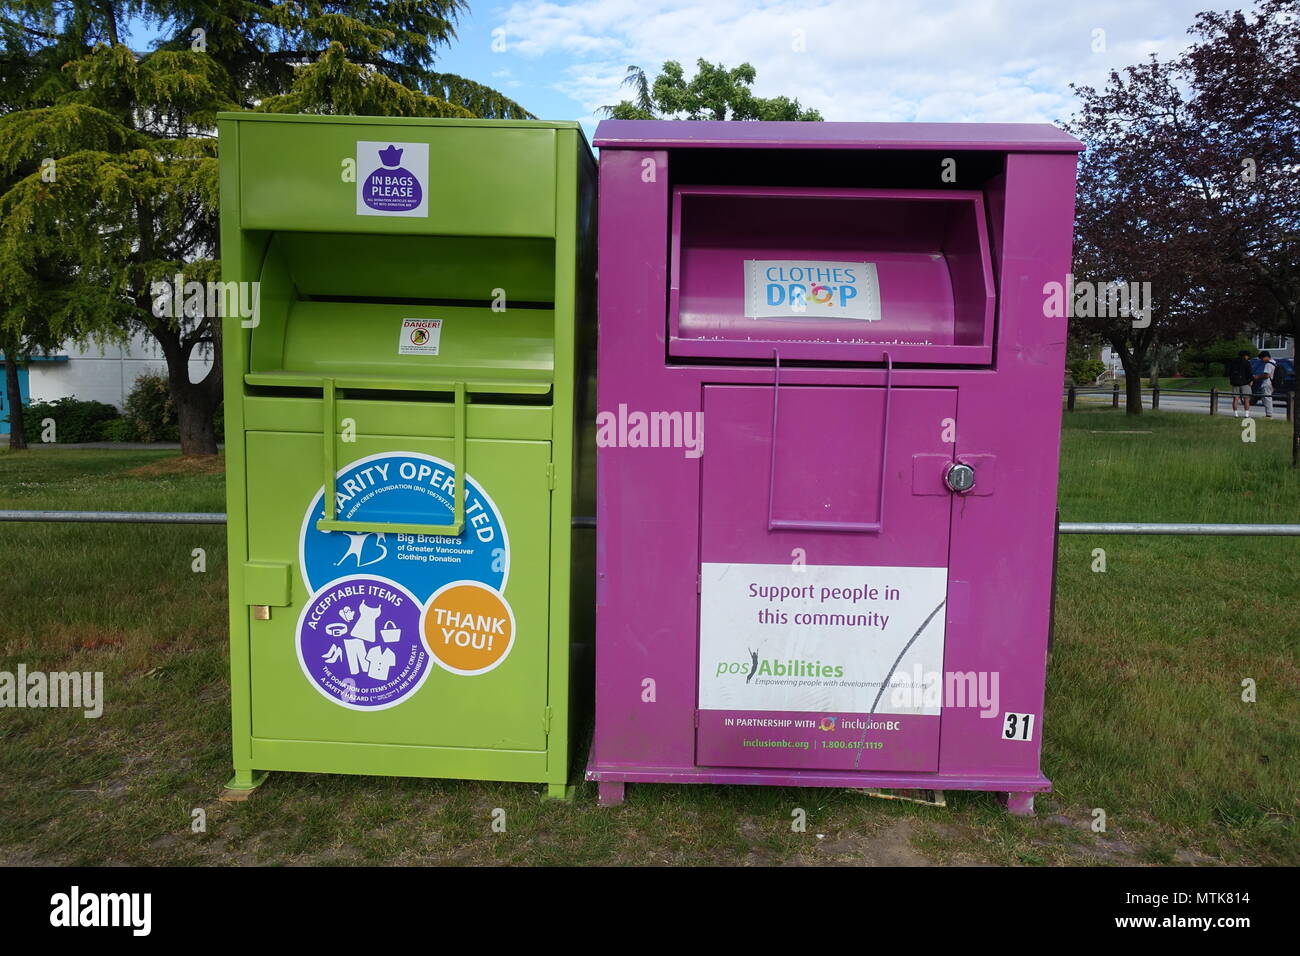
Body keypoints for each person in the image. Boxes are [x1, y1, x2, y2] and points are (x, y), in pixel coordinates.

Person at [1228, 349, 1254, 416]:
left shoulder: (1233, 362)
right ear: (1245, 356)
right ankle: (1246, 414)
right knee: (1246, 399)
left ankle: (1235, 413)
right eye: (1247, 356)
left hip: (1235, 382)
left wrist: (1231, 380)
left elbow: (1229, 372)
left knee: (1235, 398)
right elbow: (1249, 372)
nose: (1248, 357)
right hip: (1245, 382)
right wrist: (1251, 380)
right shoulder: (1247, 362)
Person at [1254, 351, 1278, 418]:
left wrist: (1257, 377)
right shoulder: (1274, 362)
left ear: (1266, 357)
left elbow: (1266, 375)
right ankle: (1268, 413)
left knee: (1267, 398)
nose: (1262, 360)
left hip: (1267, 383)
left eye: (1262, 358)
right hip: (1272, 382)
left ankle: (1269, 415)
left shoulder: (1268, 364)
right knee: (1266, 398)